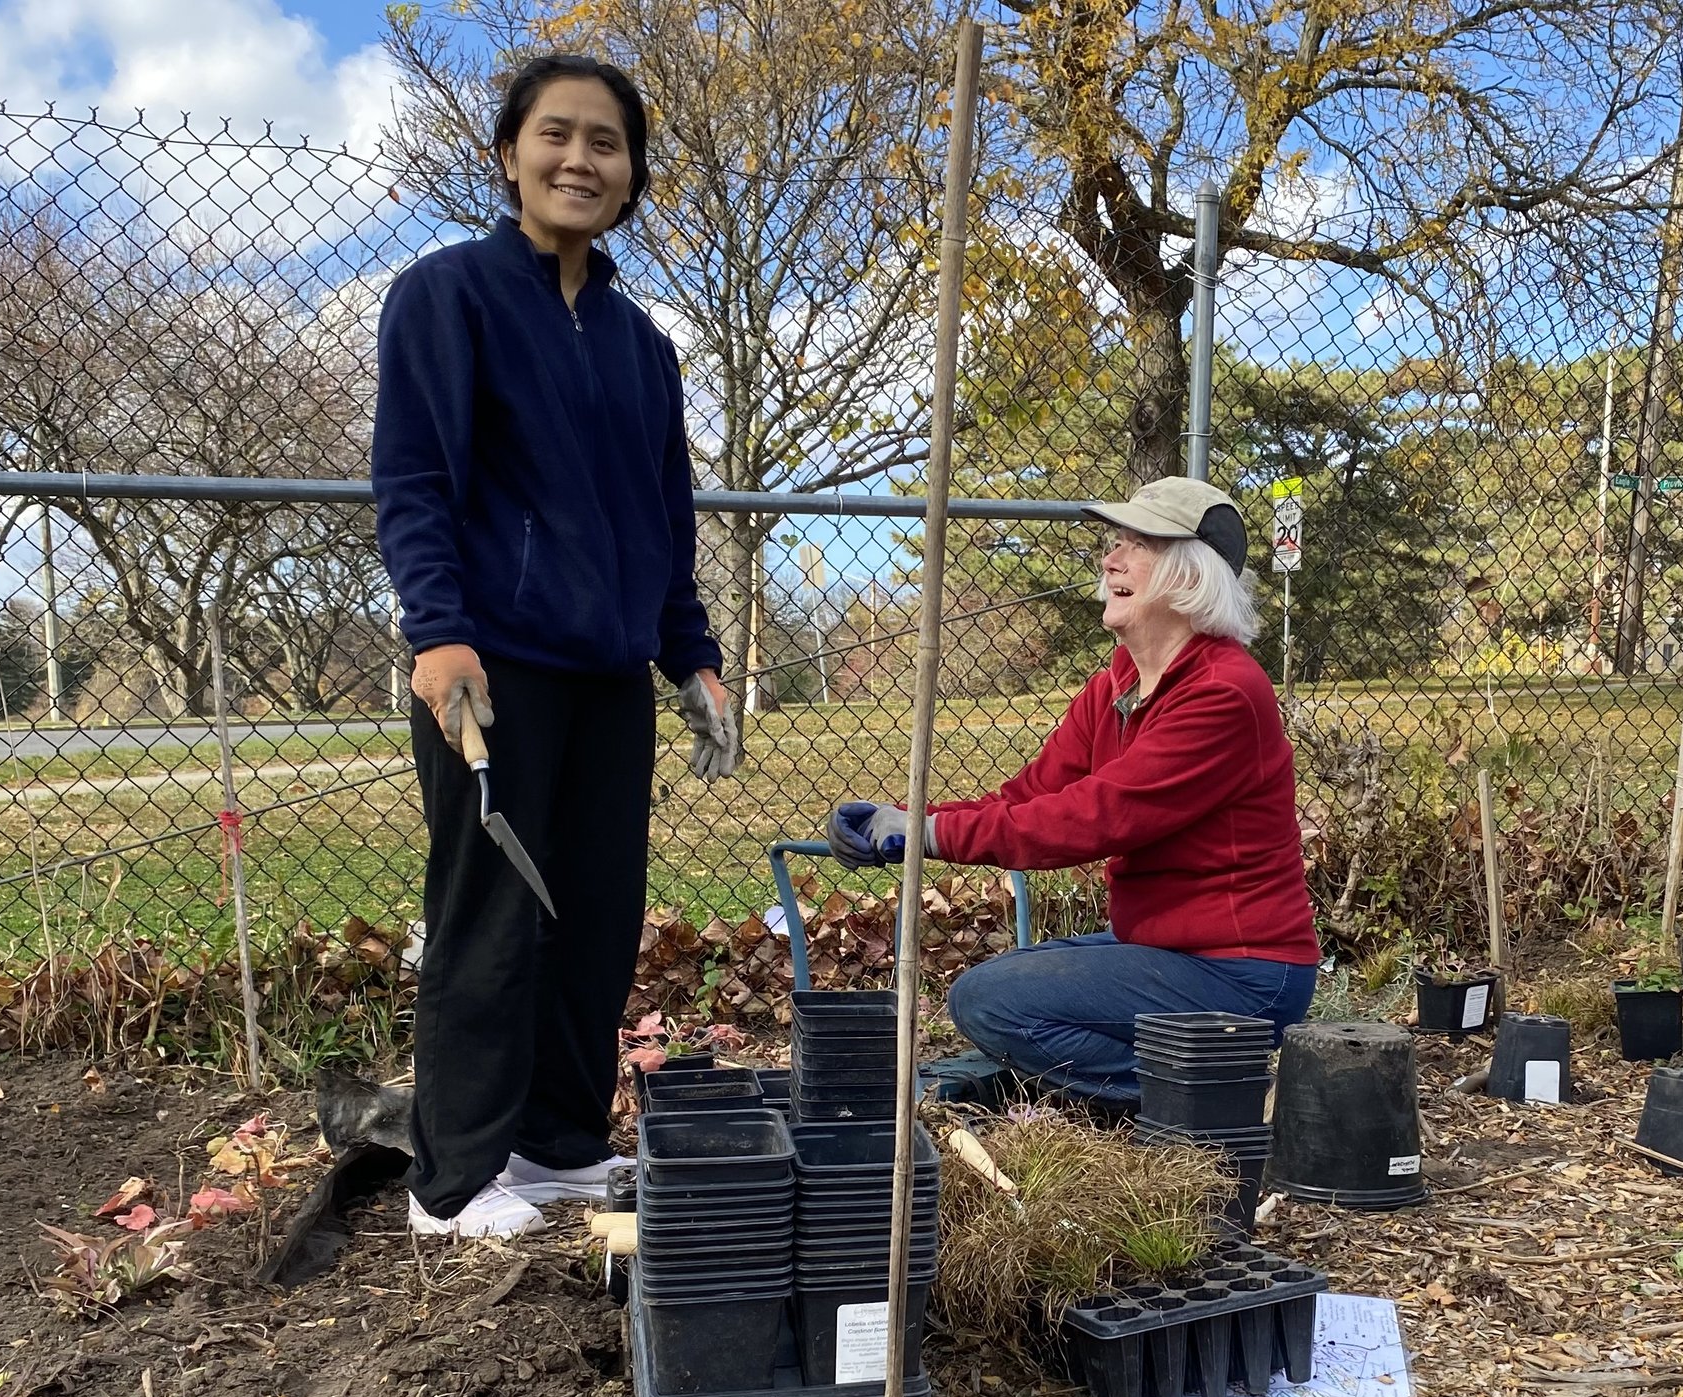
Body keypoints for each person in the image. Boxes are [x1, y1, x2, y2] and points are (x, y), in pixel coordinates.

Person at [374, 53, 741, 1240]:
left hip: (609, 679)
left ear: (631, 175)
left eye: (606, 143)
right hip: (493, 670)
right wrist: (439, 634)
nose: (580, 159)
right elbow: (416, 481)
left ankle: (557, 1145)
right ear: (509, 154)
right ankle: (453, 1182)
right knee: (489, 914)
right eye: (556, 135)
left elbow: (664, 520)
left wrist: (691, 655)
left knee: (592, 916)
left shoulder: (643, 345)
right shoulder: (447, 298)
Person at [826, 478, 1319, 1100]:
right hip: (1166, 948)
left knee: (990, 1000)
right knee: (1012, 980)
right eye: (1116, 541)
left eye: (1139, 545)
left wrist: (930, 834)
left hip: (1243, 972)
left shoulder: (1223, 694)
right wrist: (906, 816)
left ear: (1191, 577)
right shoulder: (1116, 686)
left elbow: (1094, 817)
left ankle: (1216, 1095)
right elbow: (1029, 796)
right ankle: (1169, 1082)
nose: (1111, 559)